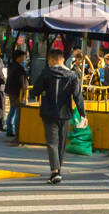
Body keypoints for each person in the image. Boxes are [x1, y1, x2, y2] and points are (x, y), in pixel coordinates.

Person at [30, 48, 87, 184]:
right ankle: (58, 170)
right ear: (62, 60)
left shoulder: (46, 73)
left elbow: (35, 91)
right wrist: (83, 114)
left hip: (48, 113)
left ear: (51, 60)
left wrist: (44, 91)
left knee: (51, 142)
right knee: (61, 143)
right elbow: (78, 96)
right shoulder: (72, 75)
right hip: (65, 113)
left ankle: (55, 171)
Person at [5, 48, 29, 144]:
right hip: (17, 93)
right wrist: (24, 94)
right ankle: (16, 132)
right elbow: (22, 83)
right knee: (17, 112)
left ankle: (9, 129)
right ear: (18, 57)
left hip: (11, 92)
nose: (24, 58)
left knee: (12, 110)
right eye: (23, 56)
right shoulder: (19, 68)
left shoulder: (11, 66)